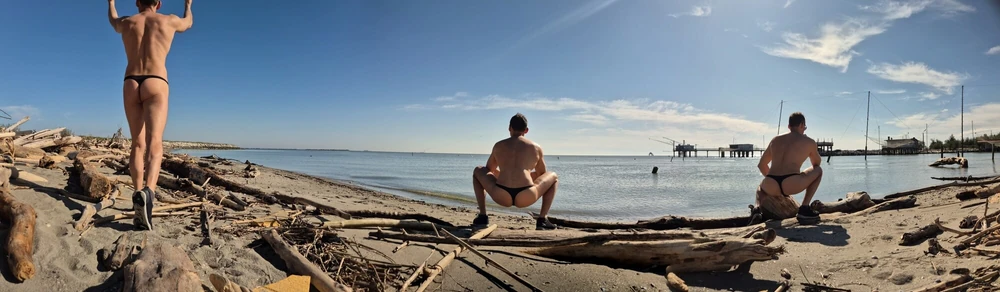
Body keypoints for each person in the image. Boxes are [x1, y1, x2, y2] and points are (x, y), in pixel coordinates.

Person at [108, 0, 193, 231]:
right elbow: (188, 23)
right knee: (155, 142)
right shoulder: (168, 20)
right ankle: (149, 193)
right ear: (158, 2)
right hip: (156, 80)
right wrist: (188, 6)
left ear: (137, 2)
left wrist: (111, 3)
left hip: (131, 82)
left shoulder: (127, 22)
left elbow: (113, 21)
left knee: (137, 143)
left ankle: (137, 194)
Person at [472, 113, 559, 230]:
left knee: (478, 170)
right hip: (527, 196)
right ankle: (542, 219)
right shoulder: (536, 147)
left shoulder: (499, 145)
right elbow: (541, 174)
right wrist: (526, 174)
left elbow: (490, 170)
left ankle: (482, 216)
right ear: (526, 130)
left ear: (509, 128)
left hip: (501, 194)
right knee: (553, 177)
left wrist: (503, 174)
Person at [756, 112, 823, 223]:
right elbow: (817, 164)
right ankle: (804, 208)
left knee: (761, 186)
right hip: (792, 184)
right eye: (804, 127)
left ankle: (757, 208)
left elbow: (761, 165)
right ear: (802, 125)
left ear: (789, 126)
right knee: (819, 171)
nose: (804, 130)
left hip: (771, 184)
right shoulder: (809, 142)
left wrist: (772, 180)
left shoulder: (775, 140)